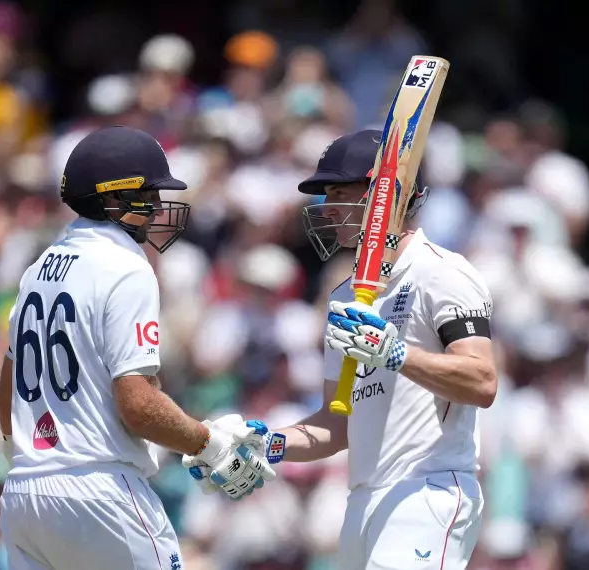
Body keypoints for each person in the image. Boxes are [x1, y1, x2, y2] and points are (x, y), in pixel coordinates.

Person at [184, 129, 498, 569]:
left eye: (337, 192)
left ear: (385, 194)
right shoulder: (345, 297)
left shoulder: (442, 272)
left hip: (428, 492)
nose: (325, 209)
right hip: (362, 501)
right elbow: (337, 423)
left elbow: (482, 381)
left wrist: (397, 354)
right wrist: (267, 443)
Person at [0, 126, 277, 570]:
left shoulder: (37, 270)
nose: (161, 207)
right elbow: (138, 404)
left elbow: (5, 395)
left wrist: (38, 461)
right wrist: (208, 444)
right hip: (100, 492)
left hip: (25, 495)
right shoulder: (126, 265)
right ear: (114, 199)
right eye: (149, 195)